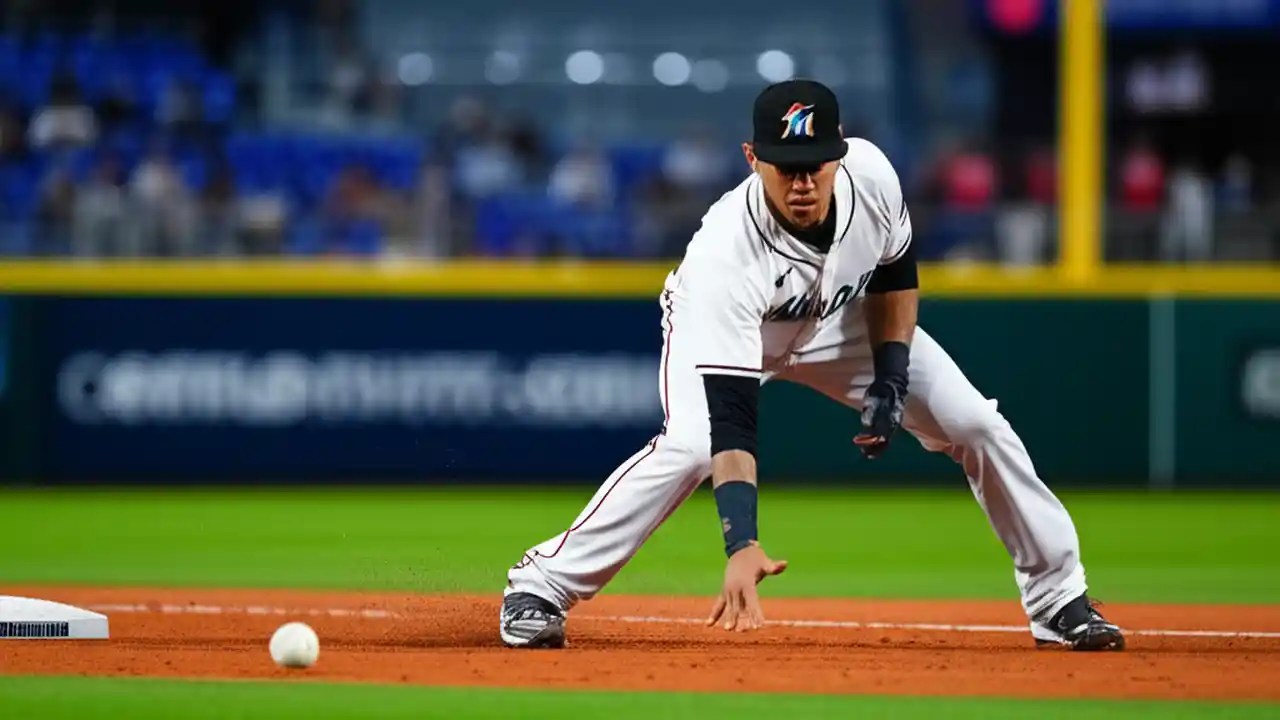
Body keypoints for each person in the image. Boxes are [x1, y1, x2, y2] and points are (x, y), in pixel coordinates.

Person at [499, 80, 1124, 652]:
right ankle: (541, 585)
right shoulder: (725, 254)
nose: (802, 182)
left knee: (975, 424)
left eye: (816, 164)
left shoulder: (872, 177)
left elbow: (895, 273)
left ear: (840, 152)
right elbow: (733, 423)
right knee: (692, 448)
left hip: (838, 325)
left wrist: (892, 376)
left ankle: (1057, 600)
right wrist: (741, 542)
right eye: (786, 166)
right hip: (729, 328)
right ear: (752, 158)